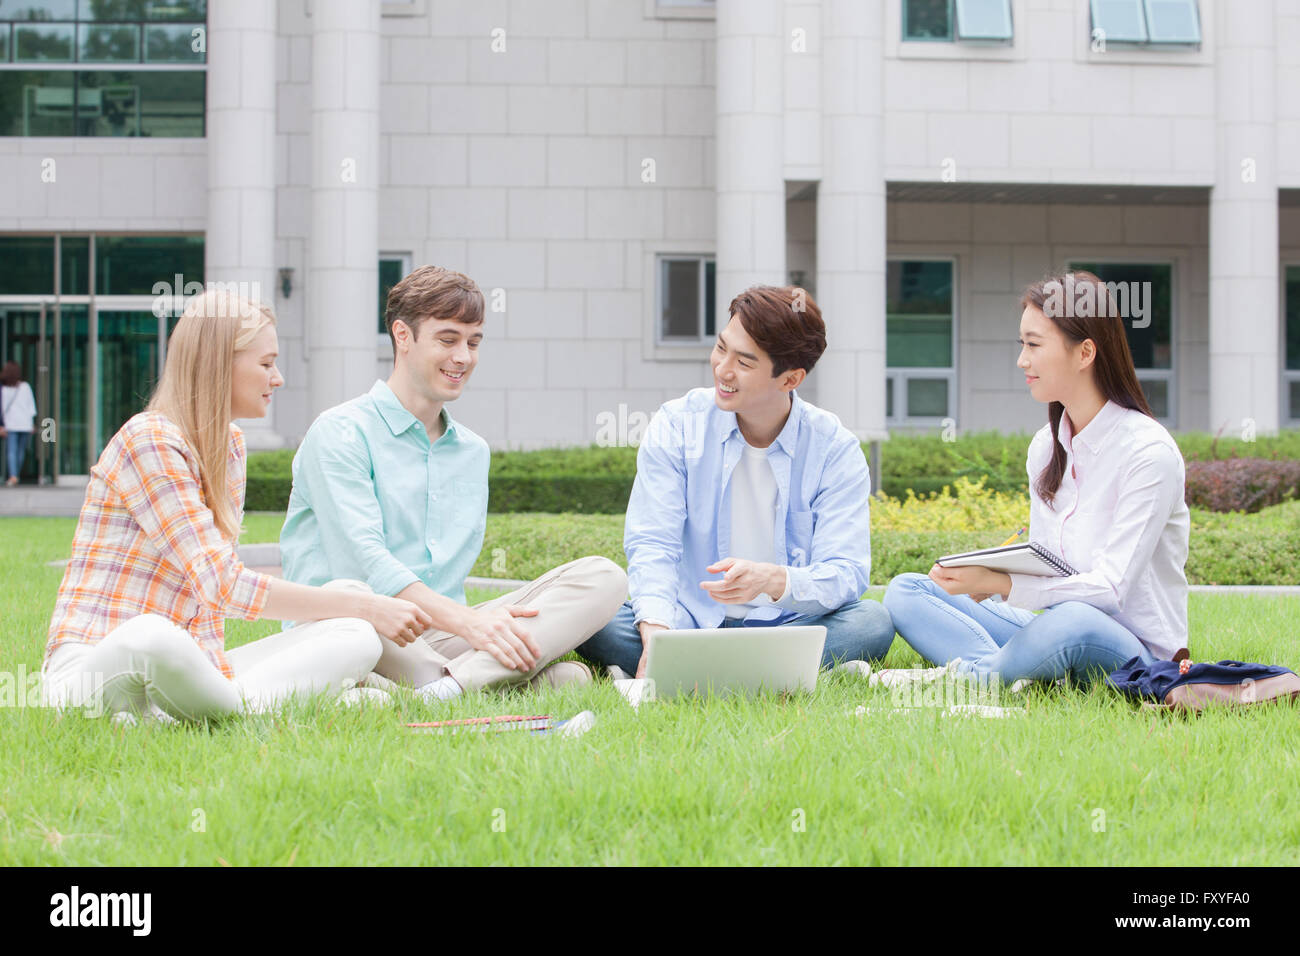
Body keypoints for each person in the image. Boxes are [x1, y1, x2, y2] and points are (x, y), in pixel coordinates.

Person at [41, 291, 433, 723]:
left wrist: (358, 607)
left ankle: (204, 714)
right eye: (266, 363)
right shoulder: (149, 439)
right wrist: (368, 608)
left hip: (194, 674)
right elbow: (222, 584)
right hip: (102, 670)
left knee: (356, 632)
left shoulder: (229, 449)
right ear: (217, 364)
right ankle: (259, 708)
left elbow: (210, 611)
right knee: (152, 637)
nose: (278, 377)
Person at [279, 265, 627, 703]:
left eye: (473, 342)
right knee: (347, 608)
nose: (463, 356)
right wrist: (470, 624)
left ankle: (448, 687)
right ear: (403, 336)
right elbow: (365, 564)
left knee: (603, 576)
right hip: (359, 628)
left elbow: (451, 589)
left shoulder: (472, 452)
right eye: (448, 339)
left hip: (441, 636)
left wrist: (479, 622)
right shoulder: (340, 432)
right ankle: (483, 681)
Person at [883, 270, 1190, 686]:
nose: (1021, 360)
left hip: (1134, 653)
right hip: (1054, 625)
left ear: (1084, 354)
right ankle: (1019, 670)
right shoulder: (1045, 446)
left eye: (1033, 345)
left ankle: (973, 677)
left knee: (1073, 621)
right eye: (1021, 344)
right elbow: (1049, 568)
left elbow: (1111, 590)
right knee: (909, 591)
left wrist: (1004, 584)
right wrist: (984, 577)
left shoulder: (1148, 453)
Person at [578, 285, 895, 679]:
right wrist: (656, 633)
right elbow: (653, 542)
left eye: (744, 362)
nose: (723, 370)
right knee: (591, 618)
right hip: (686, 622)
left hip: (786, 626)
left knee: (871, 622)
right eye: (721, 347)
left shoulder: (834, 448)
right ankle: (767, 672)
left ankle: (698, 670)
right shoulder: (679, 424)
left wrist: (775, 579)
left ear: (790, 378)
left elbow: (845, 571)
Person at [1, 360, 36, 486]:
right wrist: (32, 423)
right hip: (25, 423)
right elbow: (31, 406)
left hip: (11, 424)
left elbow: (2, 408)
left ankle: (13, 475)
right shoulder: (25, 387)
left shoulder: (3, 389)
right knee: (20, 451)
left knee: (11, 451)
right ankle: (16, 475)